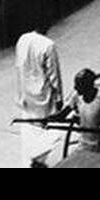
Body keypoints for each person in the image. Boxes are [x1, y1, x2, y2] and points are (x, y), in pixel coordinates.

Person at [15, 25, 63, 166]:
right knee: (46, 132)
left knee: (29, 129)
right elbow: (54, 75)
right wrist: (59, 97)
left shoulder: (23, 39)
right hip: (43, 96)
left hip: (26, 94)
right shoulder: (48, 45)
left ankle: (30, 160)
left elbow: (19, 65)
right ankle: (39, 160)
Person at [68, 68, 100, 156]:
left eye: (79, 84)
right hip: (83, 143)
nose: (75, 87)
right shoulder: (76, 97)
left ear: (88, 85)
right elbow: (63, 113)